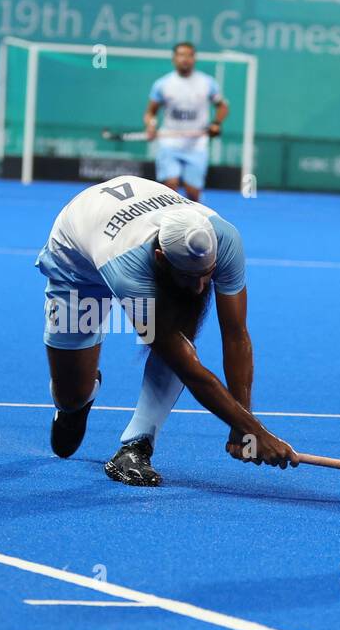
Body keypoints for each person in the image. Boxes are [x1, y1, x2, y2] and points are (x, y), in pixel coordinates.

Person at [35, 174, 297, 485]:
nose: (200, 288)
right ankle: (78, 399)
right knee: (71, 395)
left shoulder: (224, 240)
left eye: (207, 276)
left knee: (180, 330)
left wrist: (243, 423)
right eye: (189, 277)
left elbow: (236, 337)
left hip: (130, 230)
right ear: (161, 259)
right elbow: (186, 367)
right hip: (77, 265)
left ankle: (137, 445)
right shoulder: (130, 273)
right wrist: (256, 431)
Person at [144, 42, 228, 203]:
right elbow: (150, 113)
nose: (185, 59)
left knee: (193, 193)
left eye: (189, 55)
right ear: (174, 59)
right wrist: (151, 125)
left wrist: (216, 123)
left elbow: (223, 107)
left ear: (194, 59)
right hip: (170, 143)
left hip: (196, 144)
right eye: (181, 55)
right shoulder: (162, 85)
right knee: (170, 187)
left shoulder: (207, 83)